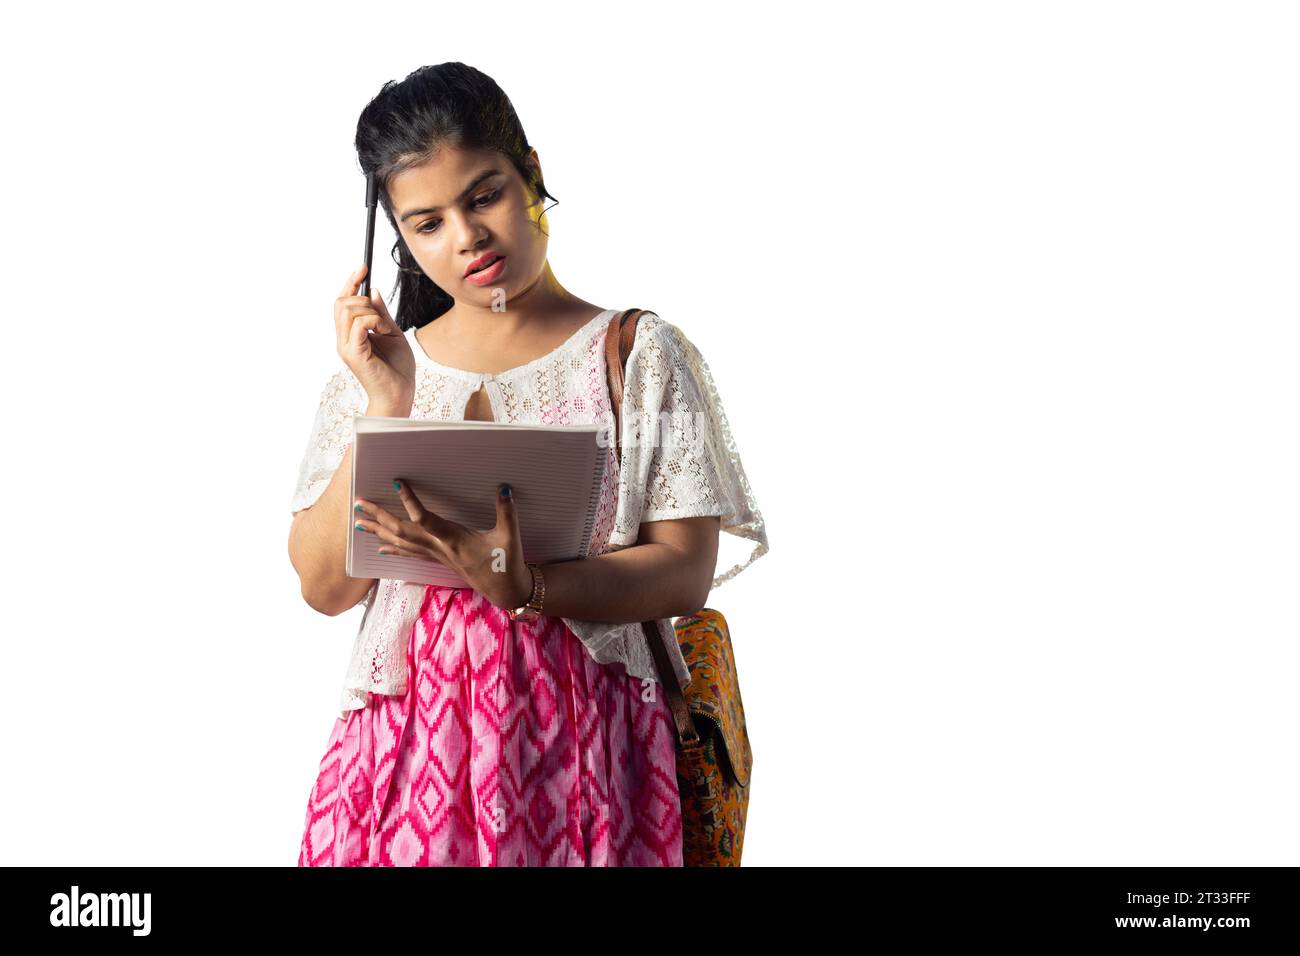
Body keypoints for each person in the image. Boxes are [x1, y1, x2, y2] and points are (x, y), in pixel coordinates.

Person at [288, 62, 768, 867]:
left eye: (483, 197)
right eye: (427, 222)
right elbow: (322, 586)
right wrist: (385, 407)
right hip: (411, 750)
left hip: (585, 742)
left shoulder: (639, 354)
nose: (467, 237)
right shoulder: (383, 375)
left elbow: (684, 570)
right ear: (397, 237)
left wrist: (530, 589)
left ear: (532, 174)